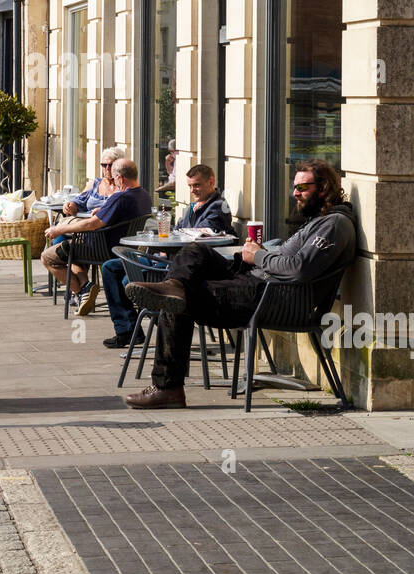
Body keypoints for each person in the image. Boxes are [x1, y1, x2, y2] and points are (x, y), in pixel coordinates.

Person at [121, 160, 358, 408]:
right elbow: (290, 262)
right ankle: (174, 284)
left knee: (179, 301)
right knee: (195, 251)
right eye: (295, 187)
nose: (295, 193)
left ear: (324, 188)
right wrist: (257, 254)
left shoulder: (334, 224)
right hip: (258, 283)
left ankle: (167, 388)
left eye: (303, 187)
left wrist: (257, 255)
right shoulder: (319, 220)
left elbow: (299, 269)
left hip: (272, 298)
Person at [100, 164, 235, 347]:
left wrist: (173, 237)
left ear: (211, 182)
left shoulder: (219, 207)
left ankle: (160, 321)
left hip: (184, 269)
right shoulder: (192, 207)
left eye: (197, 185)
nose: (192, 190)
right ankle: (127, 330)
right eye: (189, 186)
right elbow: (178, 229)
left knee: (128, 280)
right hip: (165, 256)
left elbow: (200, 237)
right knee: (110, 267)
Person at [42, 157, 152, 312]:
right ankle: (84, 286)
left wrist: (59, 230)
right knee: (69, 248)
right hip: (124, 247)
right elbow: (113, 215)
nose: (115, 182)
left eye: (115, 178)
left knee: (48, 257)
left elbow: (92, 224)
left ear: (120, 178)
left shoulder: (120, 197)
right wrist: (102, 211)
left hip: (100, 248)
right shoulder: (144, 195)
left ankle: (82, 291)